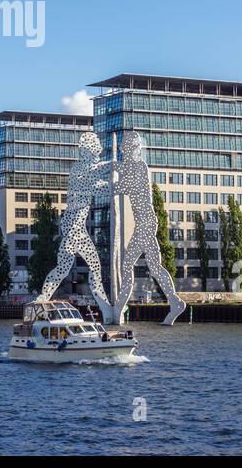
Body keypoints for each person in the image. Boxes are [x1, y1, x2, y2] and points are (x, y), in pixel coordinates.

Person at [36, 132, 116, 320]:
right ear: (88, 151)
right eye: (95, 148)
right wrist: (115, 165)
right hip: (73, 226)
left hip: (76, 228)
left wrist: (115, 183)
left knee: (65, 267)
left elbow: (102, 187)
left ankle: (44, 295)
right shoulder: (80, 170)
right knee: (89, 267)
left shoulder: (86, 171)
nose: (99, 151)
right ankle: (104, 308)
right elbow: (97, 175)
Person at [113, 132, 187, 326]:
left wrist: (110, 180)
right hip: (144, 222)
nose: (123, 150)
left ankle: (120, 305)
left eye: (126, 148)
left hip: (145, 222)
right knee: (155, 267)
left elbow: (124, 186)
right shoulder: (130, 166)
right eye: (123, 148)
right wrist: (113, 167)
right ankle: (174, 302)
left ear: (133, 149)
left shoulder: (139, 166)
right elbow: (122, 174)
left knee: (128, 265)